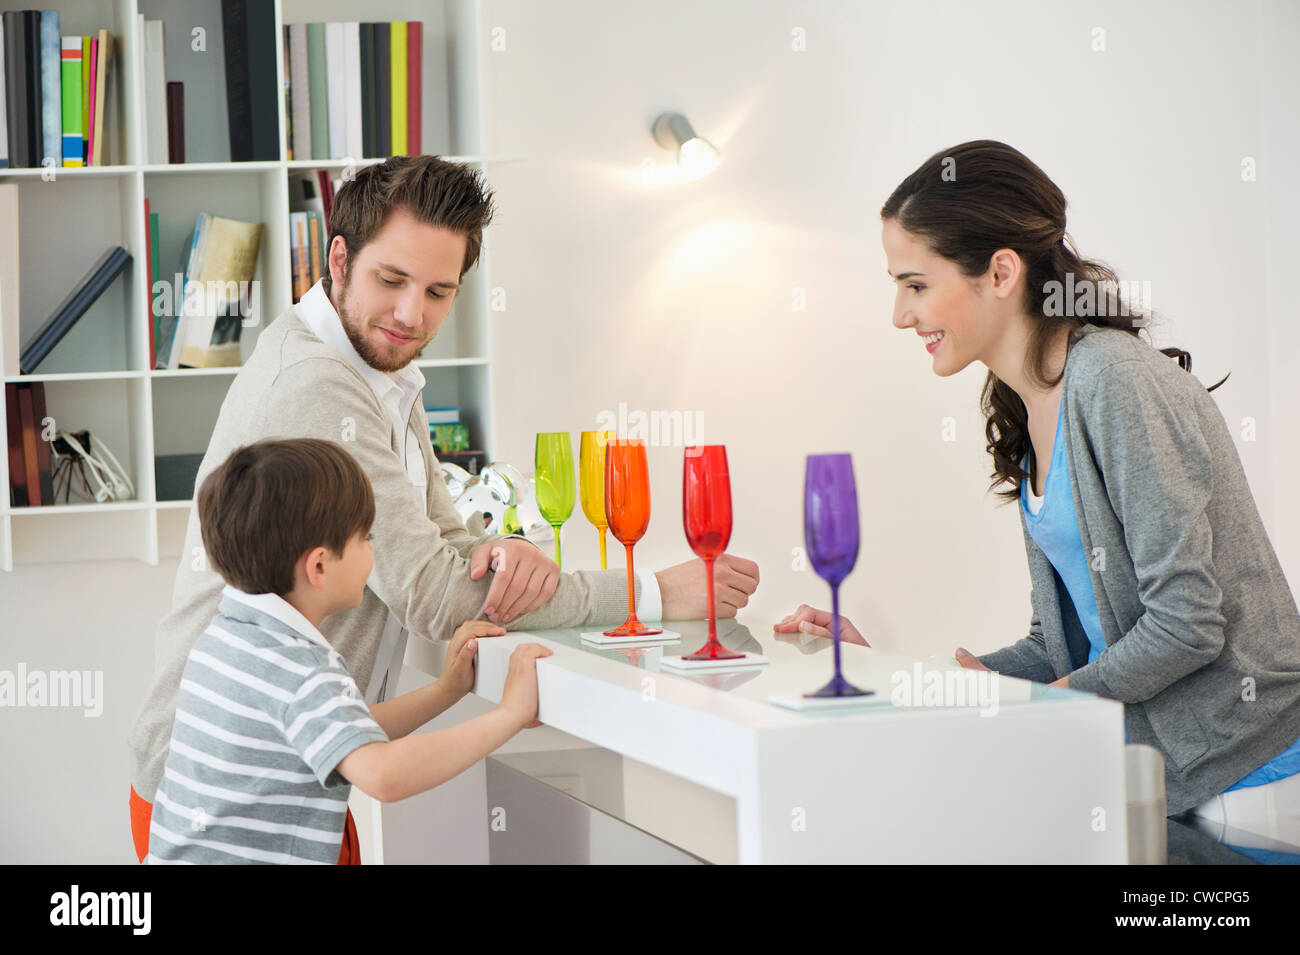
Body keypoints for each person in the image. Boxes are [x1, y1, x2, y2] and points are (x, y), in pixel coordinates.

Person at [128, 155, 760, 861]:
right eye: (391, 280)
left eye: (438, 291)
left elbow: (450, 542)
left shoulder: (381, 367)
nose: (411, 314)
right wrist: (648, 592)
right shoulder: (320, 385)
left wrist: (501, 557)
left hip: (302, 769)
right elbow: (432, 595)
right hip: (231, 797)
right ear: (339, 259)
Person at [776, 140, 1300, 857]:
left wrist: (1043, 709)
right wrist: (904, 676)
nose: (901, 314)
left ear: (999, 271)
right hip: (1175, 778)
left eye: (916, 283)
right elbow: (1056, 645)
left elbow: (1187, 623)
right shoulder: (1031, 406)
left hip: (1256, 778)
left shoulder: (1110, 381)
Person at [145, 438, 550, 863]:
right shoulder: (301, 667)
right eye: (365, 538)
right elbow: (384, 774)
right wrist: (510, 714)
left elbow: (341, 732)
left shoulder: (228, 635)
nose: (372, 550)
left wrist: (445, 691)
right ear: (319, 566)